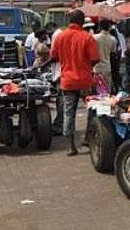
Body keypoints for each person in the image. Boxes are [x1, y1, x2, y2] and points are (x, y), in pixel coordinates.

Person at [49, 9, 100, 155]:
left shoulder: (60, 37)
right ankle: (88, 138)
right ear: (82, 22)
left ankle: (71, 146)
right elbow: (95, 58)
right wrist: (86, 66)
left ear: (69, 21)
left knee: (68, 112)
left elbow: (54, 56)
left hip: (67, 81)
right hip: (85, 81)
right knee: (92, 110)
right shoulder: (87, 37)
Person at [93, 19, 118, 92]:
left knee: (98, 92)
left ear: (100, 27)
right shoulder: (113, 39)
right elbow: (113, 54)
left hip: (97, 68)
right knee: (107, 91)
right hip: (107, 68)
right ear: (109, 27)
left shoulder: (94, 38)